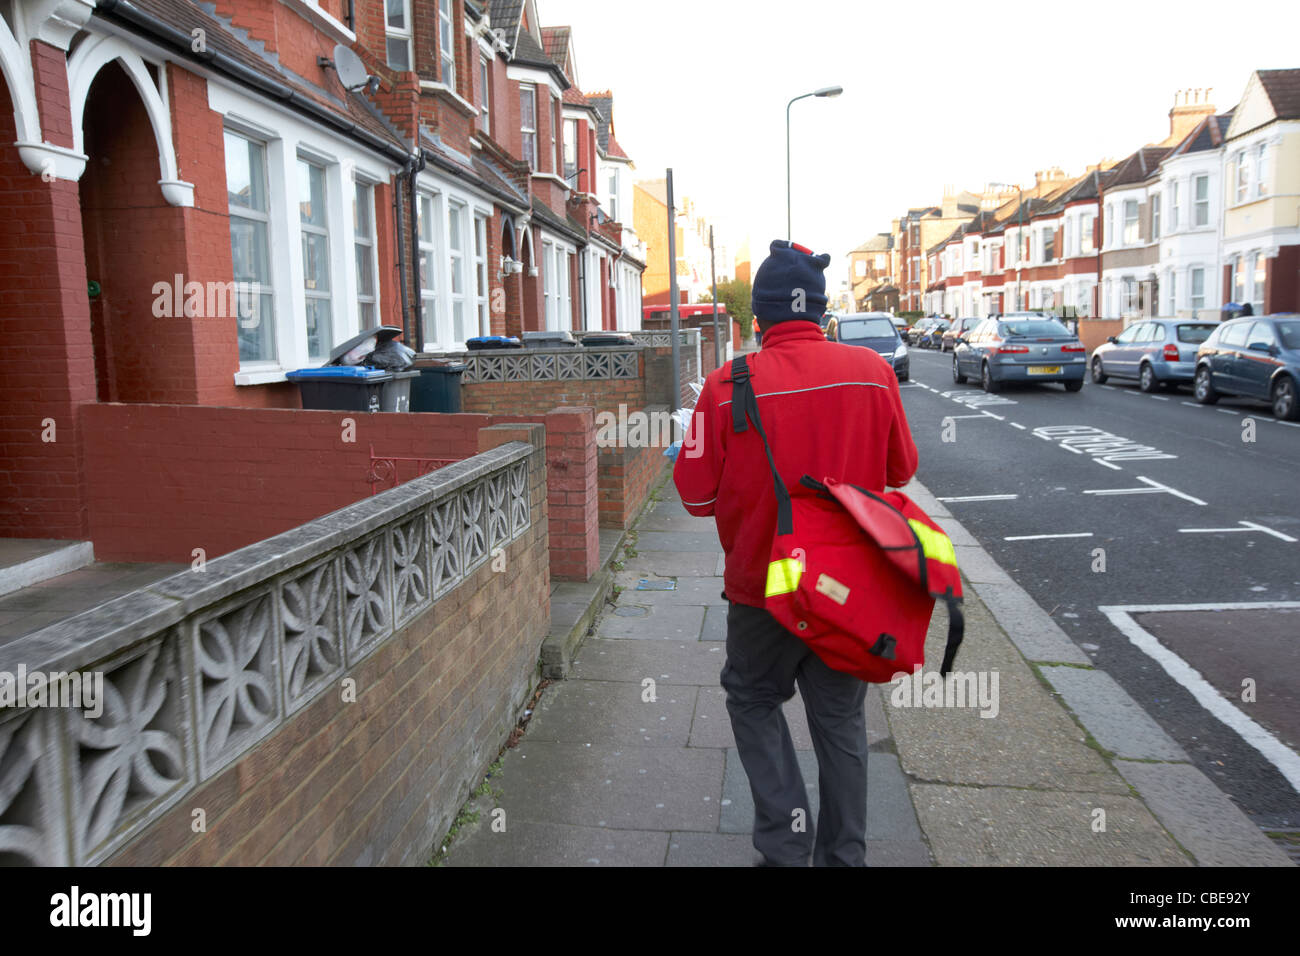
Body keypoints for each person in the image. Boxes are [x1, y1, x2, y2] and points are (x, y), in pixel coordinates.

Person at [674, 240, 919, 866]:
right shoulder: (873, 372)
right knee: (840, 723)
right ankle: (844, 857)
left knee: (753, 698)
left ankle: (785, 844)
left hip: (762, 588)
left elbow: (696, 499)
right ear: (822, 312)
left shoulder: (727, 386)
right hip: (846, 592)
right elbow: (900, 470)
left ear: (757, 319)